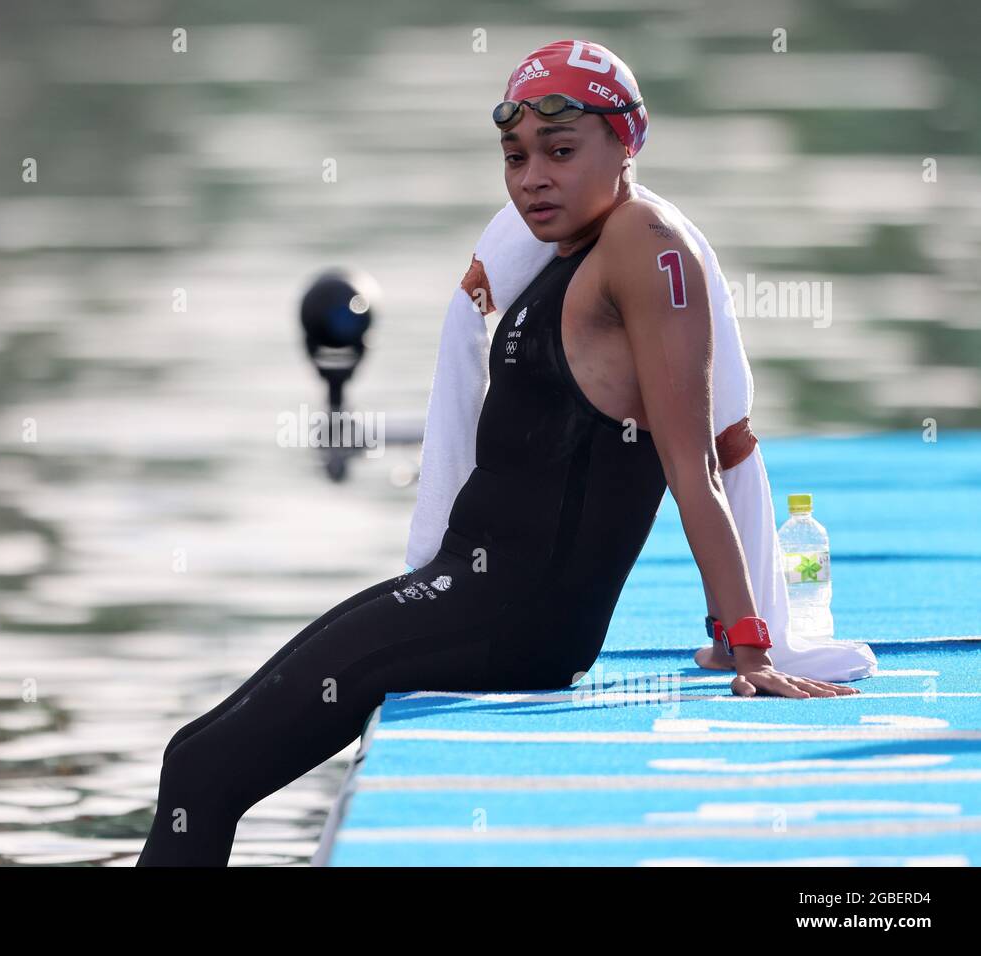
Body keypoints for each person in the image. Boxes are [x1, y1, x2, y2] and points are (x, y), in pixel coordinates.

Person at [136, 38, 858, 868]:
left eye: (560, 151)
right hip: (472, 591)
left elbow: (689, 464)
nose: (531, 179)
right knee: (194, 758)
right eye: (514, 157)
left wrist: (751, 642)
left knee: (201, 773)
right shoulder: (567, 256)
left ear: (627, 143)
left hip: (511, 616)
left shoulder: (643, 248)